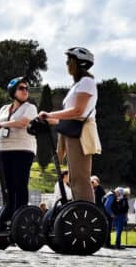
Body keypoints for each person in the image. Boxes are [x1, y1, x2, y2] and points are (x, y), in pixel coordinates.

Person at [39, 47, 100, 203]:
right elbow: (69, 116)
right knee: (73, 177)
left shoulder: (87, 82)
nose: (67, 64)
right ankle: (79, 209)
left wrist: (51, 114)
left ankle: (86, 211)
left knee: (80, 177)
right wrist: (49, 120)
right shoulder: (77, 85)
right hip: (71, 131)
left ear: (79, 63)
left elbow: (78, 111)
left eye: (69, 60)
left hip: (80, 133)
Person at [0, 76, 37, 229]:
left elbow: (24, 122)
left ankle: (19, 218)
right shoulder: (4, 109)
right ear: (13, 91)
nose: (25, 91)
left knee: (19, 184)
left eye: (26, 88)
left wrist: (1, 124)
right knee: (8, 186)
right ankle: (7, 215)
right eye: (21, 88)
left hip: (23, 150)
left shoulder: (30, 107)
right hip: (4, 150)